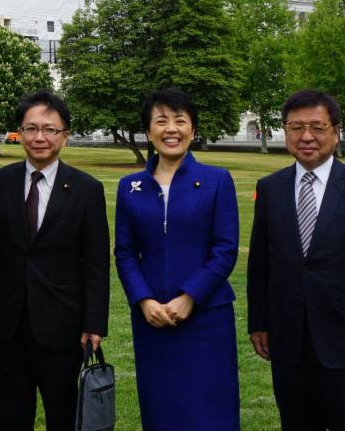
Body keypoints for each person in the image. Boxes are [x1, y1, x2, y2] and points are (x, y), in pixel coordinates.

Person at [247, 89, 345, 431]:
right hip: (287, 342)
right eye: (296, 127)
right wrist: (258, 322)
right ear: (285, 130)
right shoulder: (270, 188)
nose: (306, 137)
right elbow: (260, 263)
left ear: (335, 131)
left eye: (317, 127)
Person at [0, 90, 109, 431]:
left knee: (62, 416)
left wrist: (94, 322)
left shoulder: (87, 189)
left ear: (65, 136)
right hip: (9, 322)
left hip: (63, 326)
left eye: (50, 129)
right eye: (31, 128)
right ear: (19, 132)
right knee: (11, 416)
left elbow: (95, 263)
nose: (39, 137)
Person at [114, 88, 240, 431]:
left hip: (206, 318)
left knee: (210, 411)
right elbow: (125, 252)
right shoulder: (130, 187)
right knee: (162, 409)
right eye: (161, 121)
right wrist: (144, 301)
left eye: (180, 121)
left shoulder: (217, 180)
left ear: (193, 130)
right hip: (152, 319)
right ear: (148, 131)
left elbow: (225, 249)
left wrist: (190, 297)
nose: (171, 129)